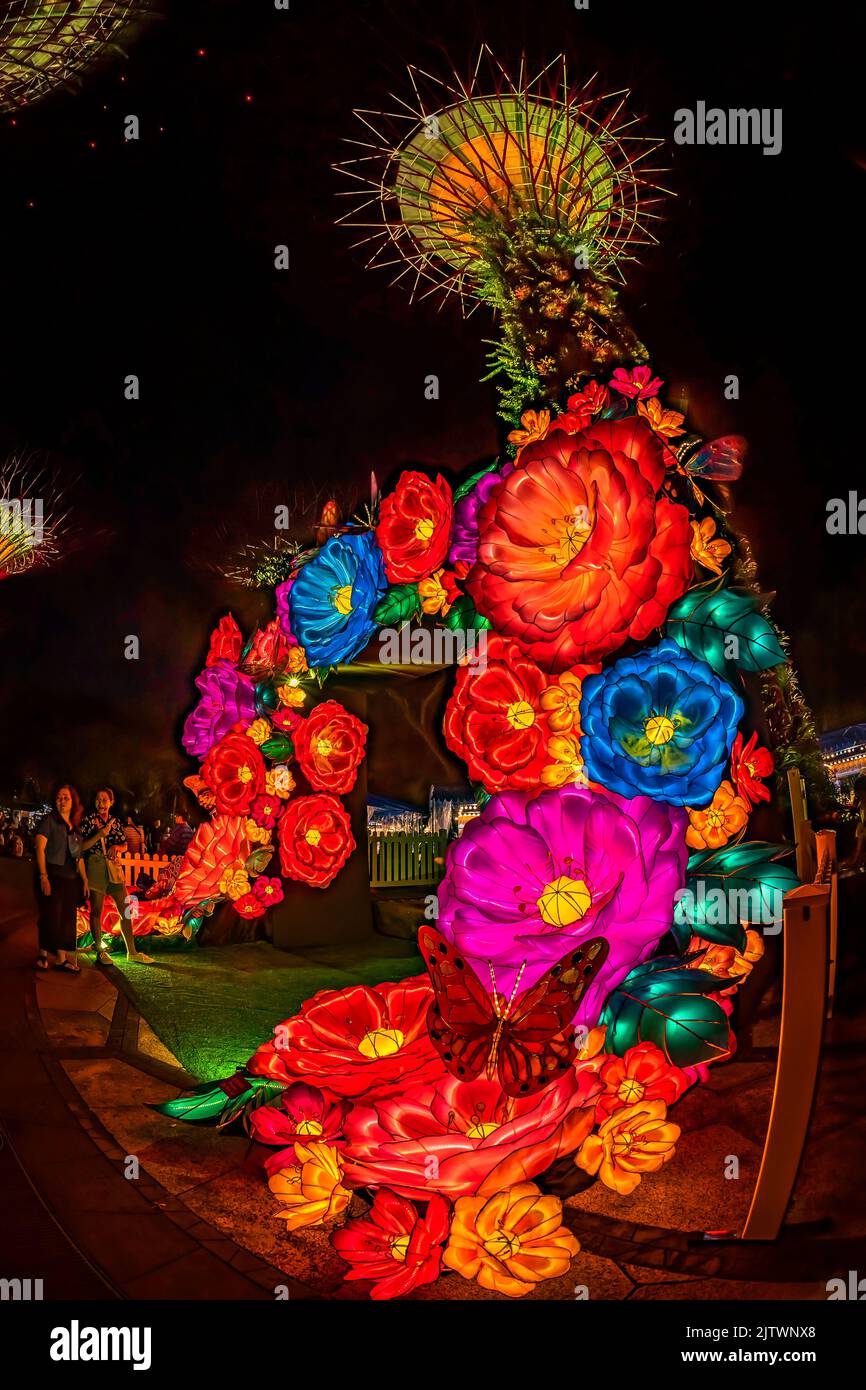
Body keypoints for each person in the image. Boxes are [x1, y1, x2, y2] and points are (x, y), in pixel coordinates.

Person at [79, 788, 154, 964]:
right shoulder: (88, 821)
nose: (101, 803)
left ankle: (132, 952)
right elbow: (81, 847)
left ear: (111, 802)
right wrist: (99, 835)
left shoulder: (116, 822)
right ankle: (100, 951)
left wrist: (117, 848)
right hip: (96, 866)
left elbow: (125, 845)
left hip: (113, 867)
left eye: (105, 800)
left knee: (126, 908)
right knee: (96, 910)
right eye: (98, 799)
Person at [33, 784, 89, 972]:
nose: (62, 801)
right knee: (50, 916)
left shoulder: (75, 828)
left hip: (70, 879)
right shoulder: (50, 821)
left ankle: (61, 959)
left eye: (66, 797)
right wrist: (43, 877)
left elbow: (79, 857)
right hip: (53, 876)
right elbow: (40, 848)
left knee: (66, 919)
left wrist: (85, 880)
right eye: (59, 797)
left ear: (73, 802)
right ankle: (42, 955)